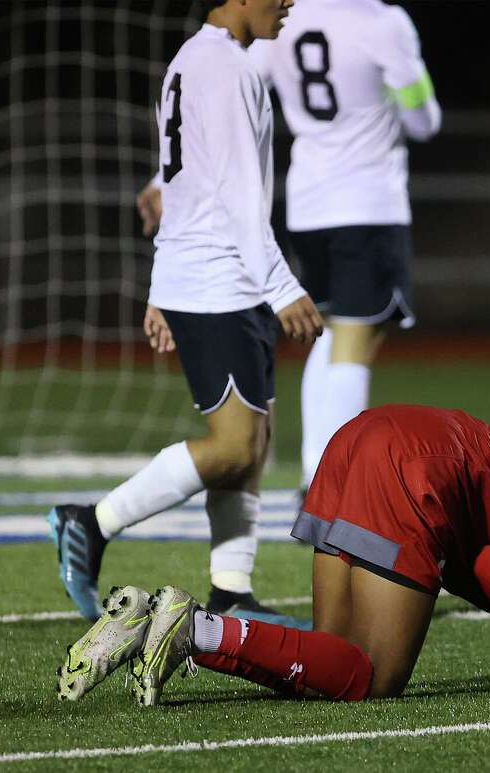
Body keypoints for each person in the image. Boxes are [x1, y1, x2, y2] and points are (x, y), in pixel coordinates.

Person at [55, 405, 490, 704]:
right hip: (415, 467)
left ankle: (155, 623)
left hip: (367, 435)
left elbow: (476, 565)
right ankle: (194, 627)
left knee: (325, 664)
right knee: (375, 679)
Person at [49, 0, 323, 625]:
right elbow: (235, 191)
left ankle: (232, 590)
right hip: (216, 281)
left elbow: (195, 165)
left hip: (219, 276)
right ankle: (90, 523)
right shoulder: (223, 66)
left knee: (255, 445)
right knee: (233, 447)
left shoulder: (202, 60)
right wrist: (282, 287)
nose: (289, 3)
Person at [138, 0, 442, 497]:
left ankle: (317, 468)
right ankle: (331, 479)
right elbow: (424, 120)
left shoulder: (289, 21)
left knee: (328, 336)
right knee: (356, 339)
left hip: (308, 204)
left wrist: (161, 178)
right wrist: (398, 88)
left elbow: (213, 96)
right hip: (367, 199)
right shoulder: (384, 23)